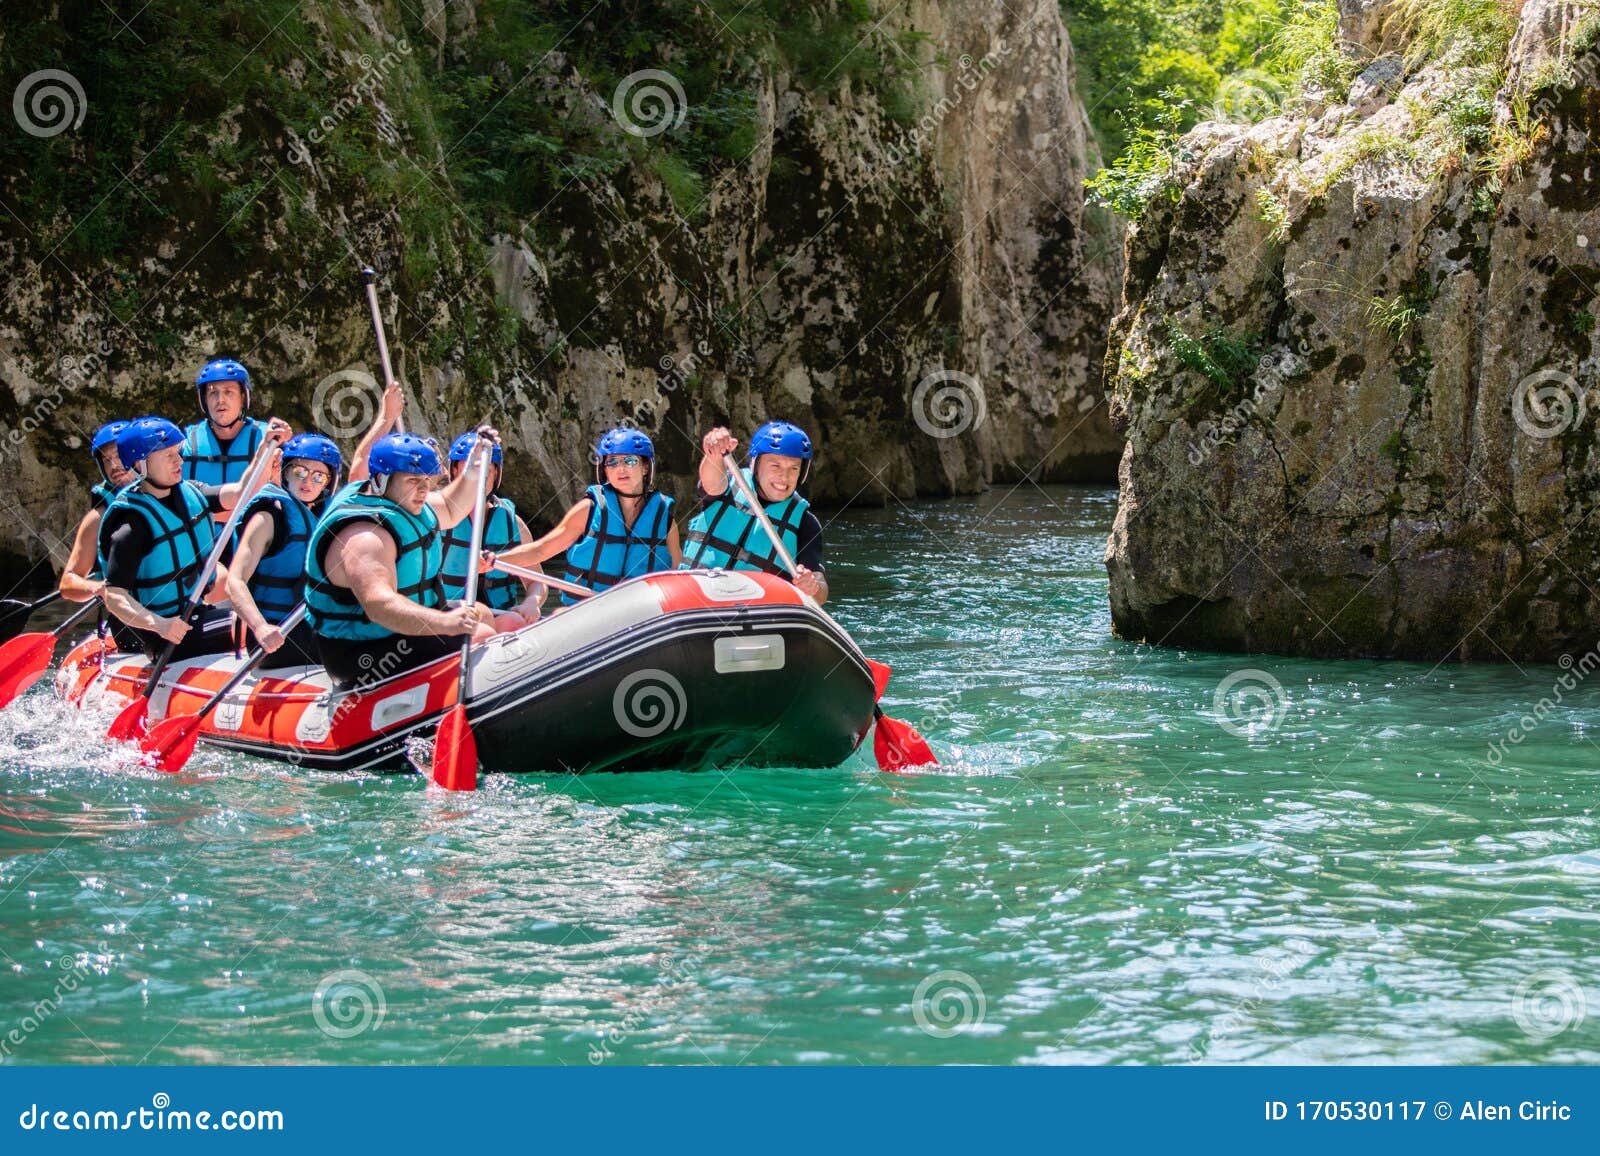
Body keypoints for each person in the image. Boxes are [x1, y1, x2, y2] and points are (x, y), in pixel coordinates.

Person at [304, 430, 502, 688]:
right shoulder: (365, 538)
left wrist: (474, 467)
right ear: (380, 480)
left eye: (426, 480)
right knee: (481, 634)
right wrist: (445, 622)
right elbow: (380, 605)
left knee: (483, 614)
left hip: (397, 632)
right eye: (412, 480)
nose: (423, 489)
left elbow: (451, 507)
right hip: (361, 652)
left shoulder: (401, 501)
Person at [97, 415, 287, 660]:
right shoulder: (131, 524)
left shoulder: (190, 492)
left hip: (196, 612)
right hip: (166, 634)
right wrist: (160, 625)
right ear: (140, 464)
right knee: (251, 626)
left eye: (177, 452)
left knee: (268, 613)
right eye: (167, 455)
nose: (178, 460)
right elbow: (114, 597)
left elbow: (242, 493)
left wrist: (264, 450)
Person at [490, 427, 679, 605]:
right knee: (559, 613)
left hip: (640, 611)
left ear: (645, 467)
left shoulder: (665, 521)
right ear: (604, 470)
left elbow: (678, 575)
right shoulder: (588, 510)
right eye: (612, 462)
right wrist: (493, 561)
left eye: (630, 461)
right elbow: (541, 550)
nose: (621, 469)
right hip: (589, 608)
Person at [225, 433, 342, 669]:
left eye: (319, 476)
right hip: (276, 634)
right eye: (300, 472)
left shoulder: (330, 517)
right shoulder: (268, 517)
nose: (308, 482)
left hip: (315, 626)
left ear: (329, 482)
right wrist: (260, 627)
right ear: (285, 471)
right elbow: (234, 581)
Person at [681, 421, 828, 603]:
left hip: (756, 610)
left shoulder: (806, 523)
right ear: (756, 465)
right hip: (696, 595)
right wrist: (715, 454)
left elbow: (820, 590)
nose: (784, 476)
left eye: (794, 468)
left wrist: (813, 586)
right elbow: (711, 479)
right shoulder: (727, 486)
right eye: (775, 466)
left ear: (802, 473)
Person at [439, 431, 545, 631]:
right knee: (492, 627)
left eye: (487, 471)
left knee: (514, 622)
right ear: (455, 472)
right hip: (451, 614)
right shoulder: (437, 519)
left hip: (501, 615)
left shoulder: (513, 523)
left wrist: (532, 602)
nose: (481, 478)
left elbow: (537, 582)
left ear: (497, 474)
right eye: (473, 470)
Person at [59, 419, 132, 602]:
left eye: (118, 455)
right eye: (106, 460)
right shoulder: (97, 518)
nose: (114, 466)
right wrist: (98, 587)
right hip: (131, 618)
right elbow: (68, 584)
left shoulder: (170, 494)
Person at [182, 358, 271, 493]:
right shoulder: (183, 443)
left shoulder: (269, 439)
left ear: (243, 397)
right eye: (213, 393)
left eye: (228, 392)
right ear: (204, 400)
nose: (220, 400)